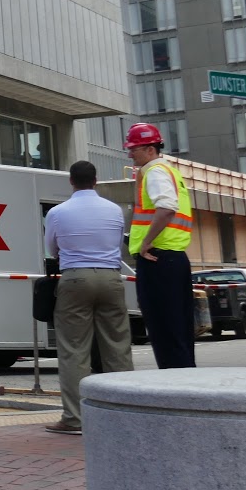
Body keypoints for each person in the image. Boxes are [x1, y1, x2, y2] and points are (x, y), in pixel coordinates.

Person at [42, 161, 132, 435]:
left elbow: (51, 248)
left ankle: (75, 418)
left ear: (71, 181)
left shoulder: (58, 212)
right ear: (96, 181)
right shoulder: (114, 210)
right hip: (111, 278)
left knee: (73, 350)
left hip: (75, 278)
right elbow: (117, 244)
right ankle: (125, 412)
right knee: (117, 346)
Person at [124, 123, 196, 369]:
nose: (130, 153)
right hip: (174, 257)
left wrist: (145, 243)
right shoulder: (170, 171)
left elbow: (166, 208)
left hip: (158, 258)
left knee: (163, 329)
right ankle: (185, 383)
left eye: (134, 148)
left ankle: (174, 388)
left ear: (150, 149)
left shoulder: (154, 171)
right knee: (178, 329)